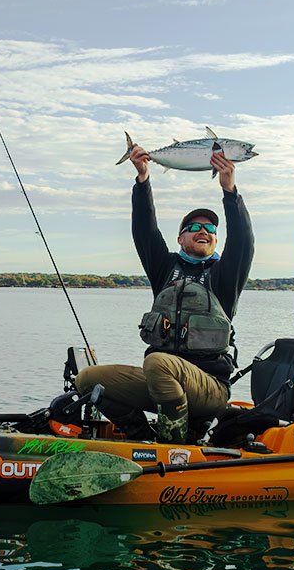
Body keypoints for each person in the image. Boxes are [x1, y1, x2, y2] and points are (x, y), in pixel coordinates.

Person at [75, 141, 254, 444]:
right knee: (88, 380)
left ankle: (173, 444)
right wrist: (143, 178)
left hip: (209, 387)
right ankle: (140, 438)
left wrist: (229, 191)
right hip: (161, 379)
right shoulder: (165, 269)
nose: (204, 231)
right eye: (194, 226)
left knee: (157, 362)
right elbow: (145, 231)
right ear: (180, 238)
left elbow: (243, 241)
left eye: (211, 229)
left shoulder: (225, 276)